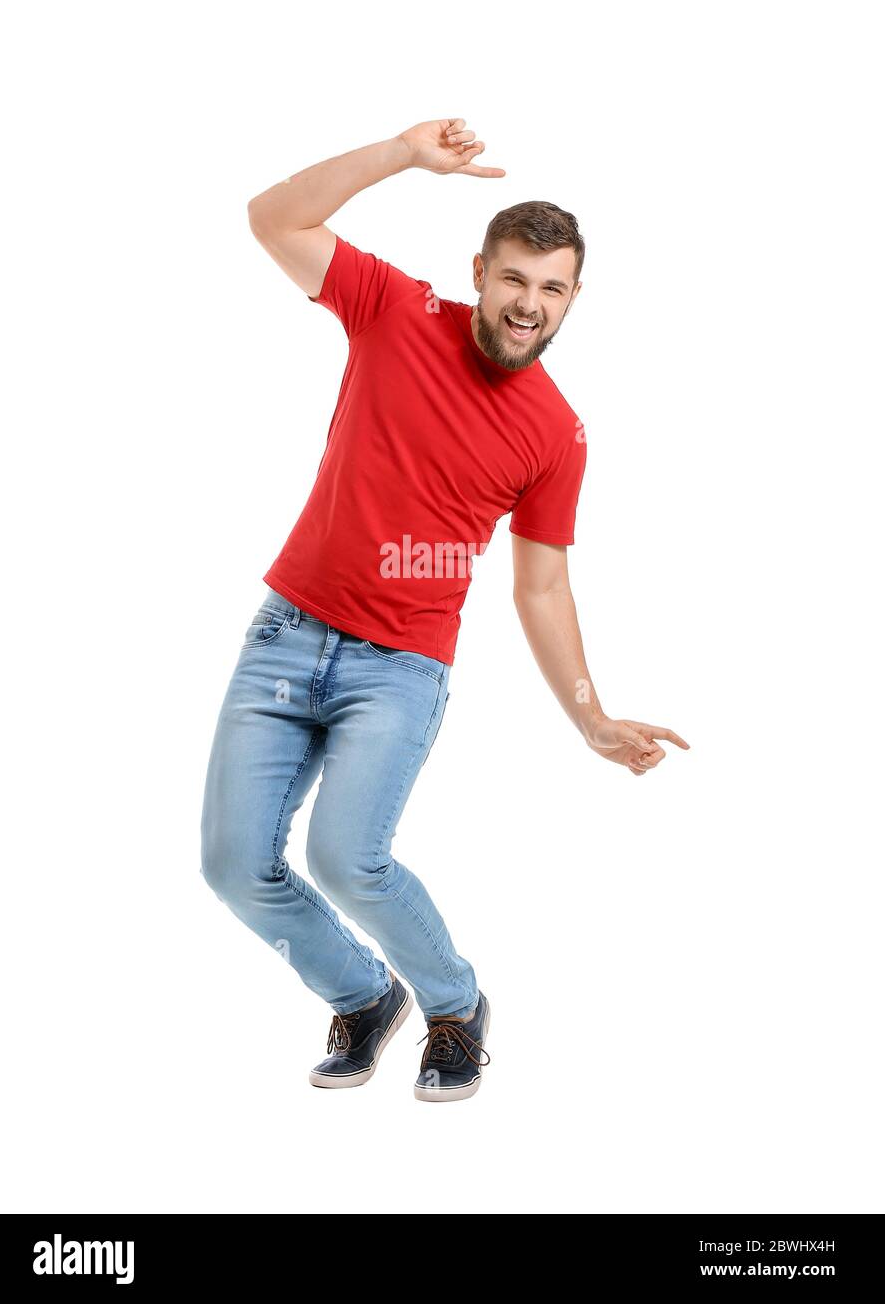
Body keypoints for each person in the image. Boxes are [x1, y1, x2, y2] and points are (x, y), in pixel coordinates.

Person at [200, 118, 689, 1103]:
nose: (527, 305)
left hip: (399, 667)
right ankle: (360, 993)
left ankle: (454, 1003)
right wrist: (402, 155)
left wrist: (591, 716)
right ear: (480, 269)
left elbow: (540, 583)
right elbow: (269, 218)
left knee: (345, 858)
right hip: (285, 635)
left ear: (571, 298)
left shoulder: (553, 433)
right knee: (231, 864)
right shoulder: (393, 308)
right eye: (514, 279)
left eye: (550, 289)